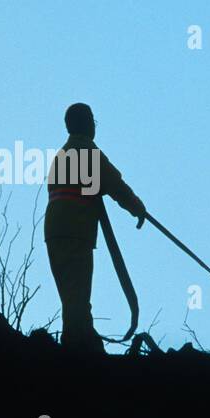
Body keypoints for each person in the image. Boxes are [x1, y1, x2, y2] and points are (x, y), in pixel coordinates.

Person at [44, 102, 145, 351]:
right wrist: (137, 207)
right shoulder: (85, 150)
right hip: (74, 230)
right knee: (77, 295)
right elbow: (113, 184)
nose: (93, 125)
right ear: (87, 123)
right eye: (92, 120)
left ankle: (79, 339)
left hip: (56, 231)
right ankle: (78, 347)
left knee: (71, 295)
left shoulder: (63, 153)